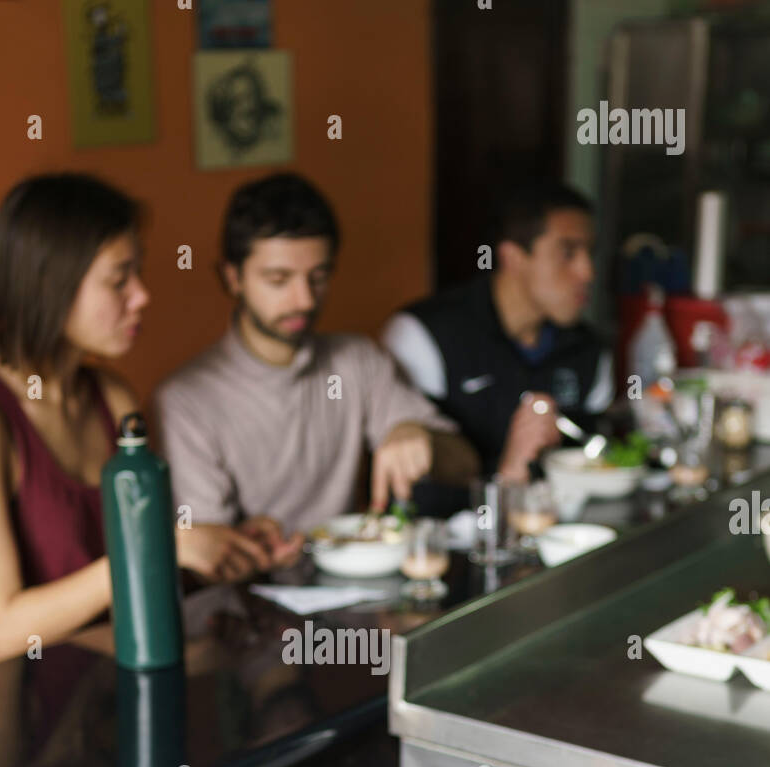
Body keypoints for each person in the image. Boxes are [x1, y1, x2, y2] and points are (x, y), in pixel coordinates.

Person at [0, 172, 287, 673]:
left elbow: (138, 579)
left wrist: (224, 548)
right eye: (120, 280)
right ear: (49, 285)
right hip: (21, 715)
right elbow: (6, 631)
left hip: (110, 686)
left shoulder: (112, 396)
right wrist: (166, 545)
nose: (142, 296)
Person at [154, 173, 478, 535]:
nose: (305, 300)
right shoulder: (187, 400)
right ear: (232, 277)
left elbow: (467, 465)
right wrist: (253, 548)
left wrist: (419, 436)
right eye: (279, 280)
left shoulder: (357, 359)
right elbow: (204, 554)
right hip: (250, 590)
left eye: (318, 277)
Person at [382, 183, 614, 482]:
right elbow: (413, 481)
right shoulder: (423, 335)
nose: (587, 272)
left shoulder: (590, 350)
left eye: (590, 253)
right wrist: (506, 475)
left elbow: (596, 466)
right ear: (512, 257)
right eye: (568, 252)